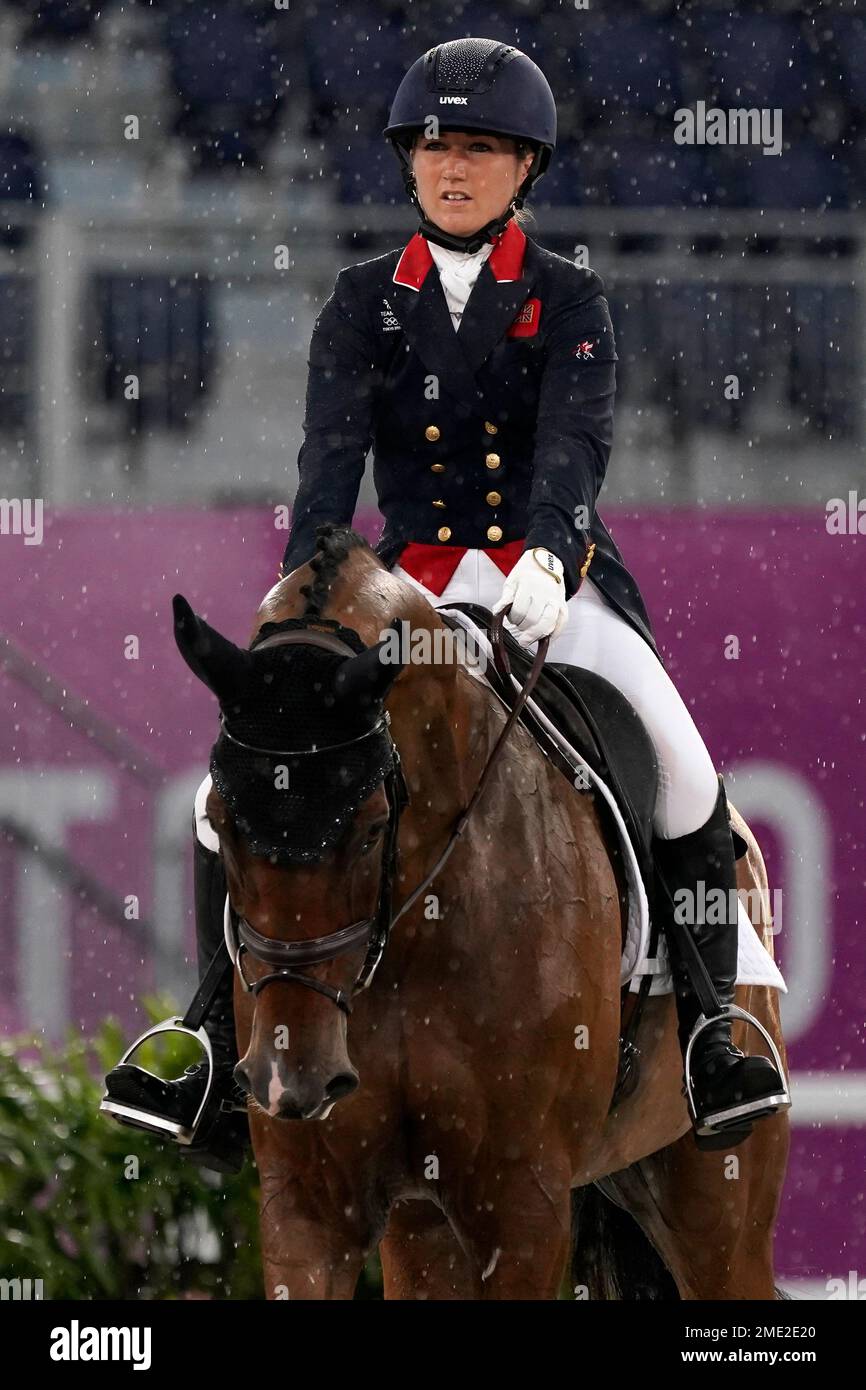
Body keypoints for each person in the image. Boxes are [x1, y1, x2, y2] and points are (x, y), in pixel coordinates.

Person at [102, 38, 788, 1171]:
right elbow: (326, 475)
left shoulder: (568, 299)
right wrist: (301, 607)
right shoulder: (361, 302)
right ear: (408, 165)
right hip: (401, 582)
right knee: (224, 799)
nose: (450, 167)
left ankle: (712, 1026)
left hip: (546, 580)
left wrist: (548, 549)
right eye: (432, 146)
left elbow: (572, 449)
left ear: (523, 167)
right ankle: (214, 1039)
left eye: (476, 148)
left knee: (684, 771)